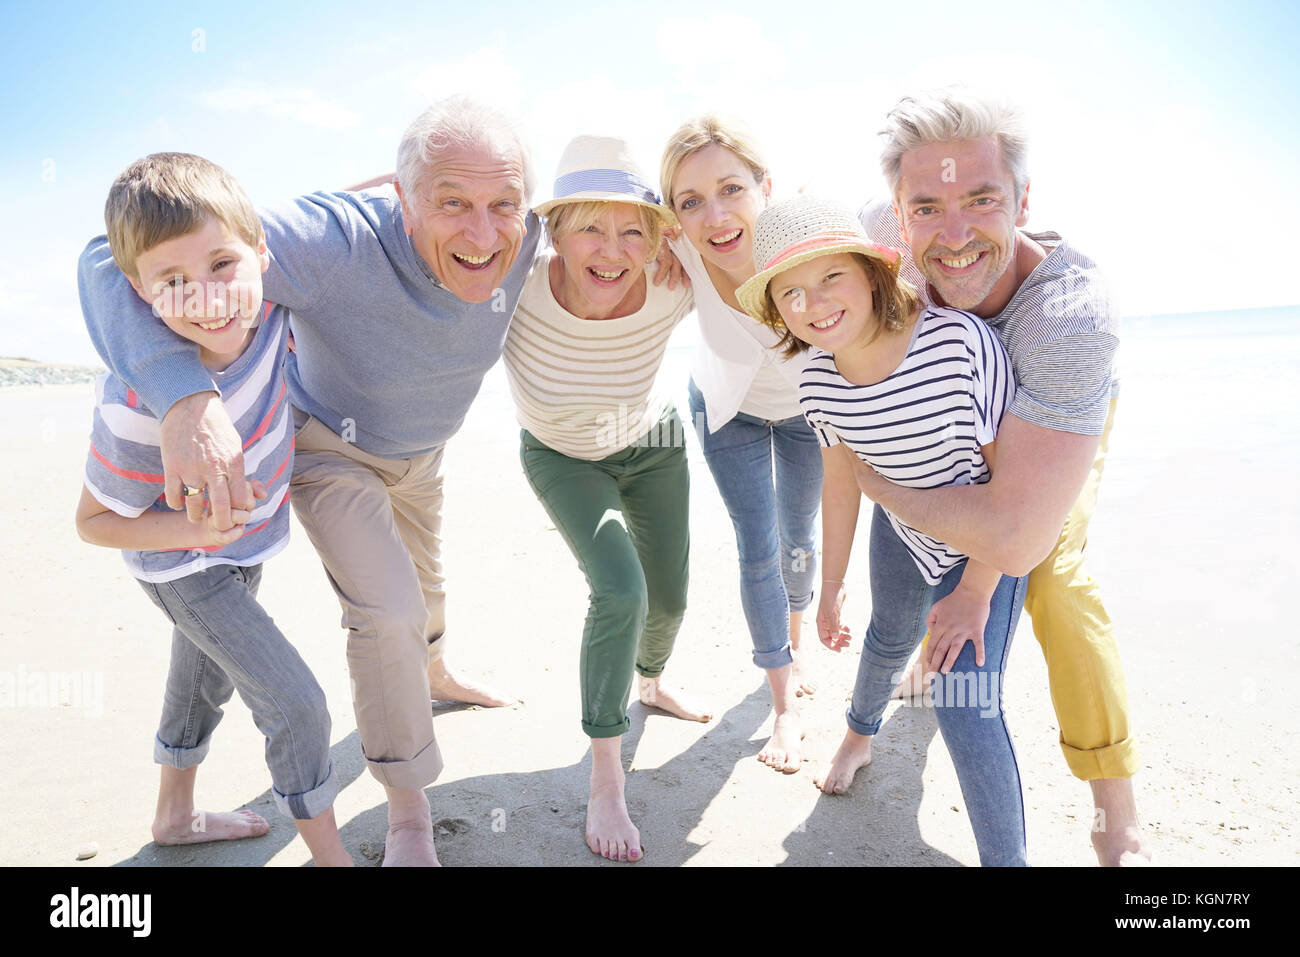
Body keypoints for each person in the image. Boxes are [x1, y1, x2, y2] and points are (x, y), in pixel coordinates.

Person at [77, 98, 543, 867]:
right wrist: (184, 397)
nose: (483, 232)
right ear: (400, 195)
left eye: (503, 205)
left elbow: (636, 219)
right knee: (387, 611)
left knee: (422, 596)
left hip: (425, 451)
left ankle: (434, 670)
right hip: (333, 447)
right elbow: (111, 253)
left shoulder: (529, 235)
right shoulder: (331, 240)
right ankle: (408, 812)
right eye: (451, 202)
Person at [854, 88, 1150, 865]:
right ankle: (884, 700)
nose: (952, 234)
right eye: (926, 207)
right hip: (955, 431)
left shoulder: (1069, 318)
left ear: (1023, 199)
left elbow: (1018, 531)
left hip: (1055, 418)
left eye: (982, 200)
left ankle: (1115, 812)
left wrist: (965, 579)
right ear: (897, 209)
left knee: (1056, 580)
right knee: (906, 604)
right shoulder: (880, 239)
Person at [74, 153, 351, 866]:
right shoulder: (137, 404)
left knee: (204, 678)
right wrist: (194, 525)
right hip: (181, 565)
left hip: (246, 549)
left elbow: (332, 215)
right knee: (296, 702)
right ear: (138, 292)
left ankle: (174, 815)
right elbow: (93, 522)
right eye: (172, 281)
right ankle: (330, 855)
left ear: (262, 251)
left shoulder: (272, 316)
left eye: (222, 265)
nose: (205, 299)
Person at [738, 193, 1027, 866]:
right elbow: (842, 482)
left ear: (871, 273)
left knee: (964, 700)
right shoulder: (816, 381)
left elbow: (1013, 490)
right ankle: (858, 733)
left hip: (988, 543)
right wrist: (831, 585)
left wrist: (976, 590)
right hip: (902, 530)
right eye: (791, 293)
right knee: (887, 636)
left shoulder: (956, 345)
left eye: (830, 276)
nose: (814, 302)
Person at [506, 136, 703, 863]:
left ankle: (651, 680)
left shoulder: (673, 281)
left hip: (652, 445)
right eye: (589, 225)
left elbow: (754, 255)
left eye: (632, 229)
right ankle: (606, 775)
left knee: (671, 599)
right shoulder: (514, 283)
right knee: (621, 589)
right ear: (552, 231)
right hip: (561, 456)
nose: (611, 250)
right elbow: (405, 221)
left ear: (655, 238)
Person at [659, 116, 822, 775]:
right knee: (758, 546)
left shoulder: (808, 240)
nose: (715, 216)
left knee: (799, 536)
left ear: (766, 188)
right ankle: (783, 700)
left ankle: (798, 639)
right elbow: (573, 237)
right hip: (727, 411)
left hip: (810, 414)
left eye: (732, 189)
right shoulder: (681, 250)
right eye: (690, 201)